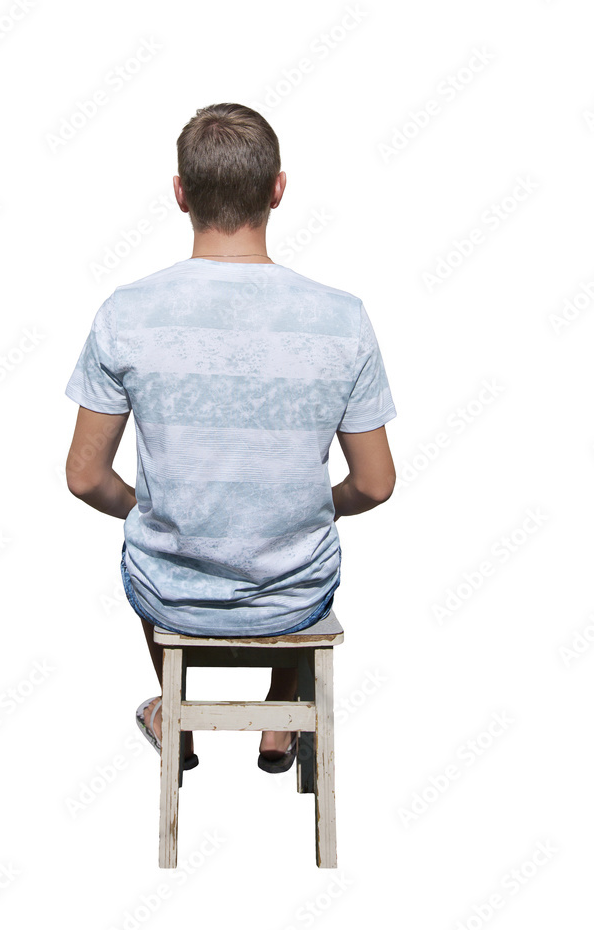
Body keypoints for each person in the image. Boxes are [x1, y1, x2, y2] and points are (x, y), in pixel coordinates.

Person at [64, 102, 397, 772]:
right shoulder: (342, 319)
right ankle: (279, 726)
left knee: (143, 559)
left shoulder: (125, 313)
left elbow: (84, 476)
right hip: (293, 593)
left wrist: (158, 511)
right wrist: (298, 506)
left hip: (171, 593)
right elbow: (374, 483)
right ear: (277, 189)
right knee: (304, 561)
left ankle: (173, 712)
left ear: (180, 193)